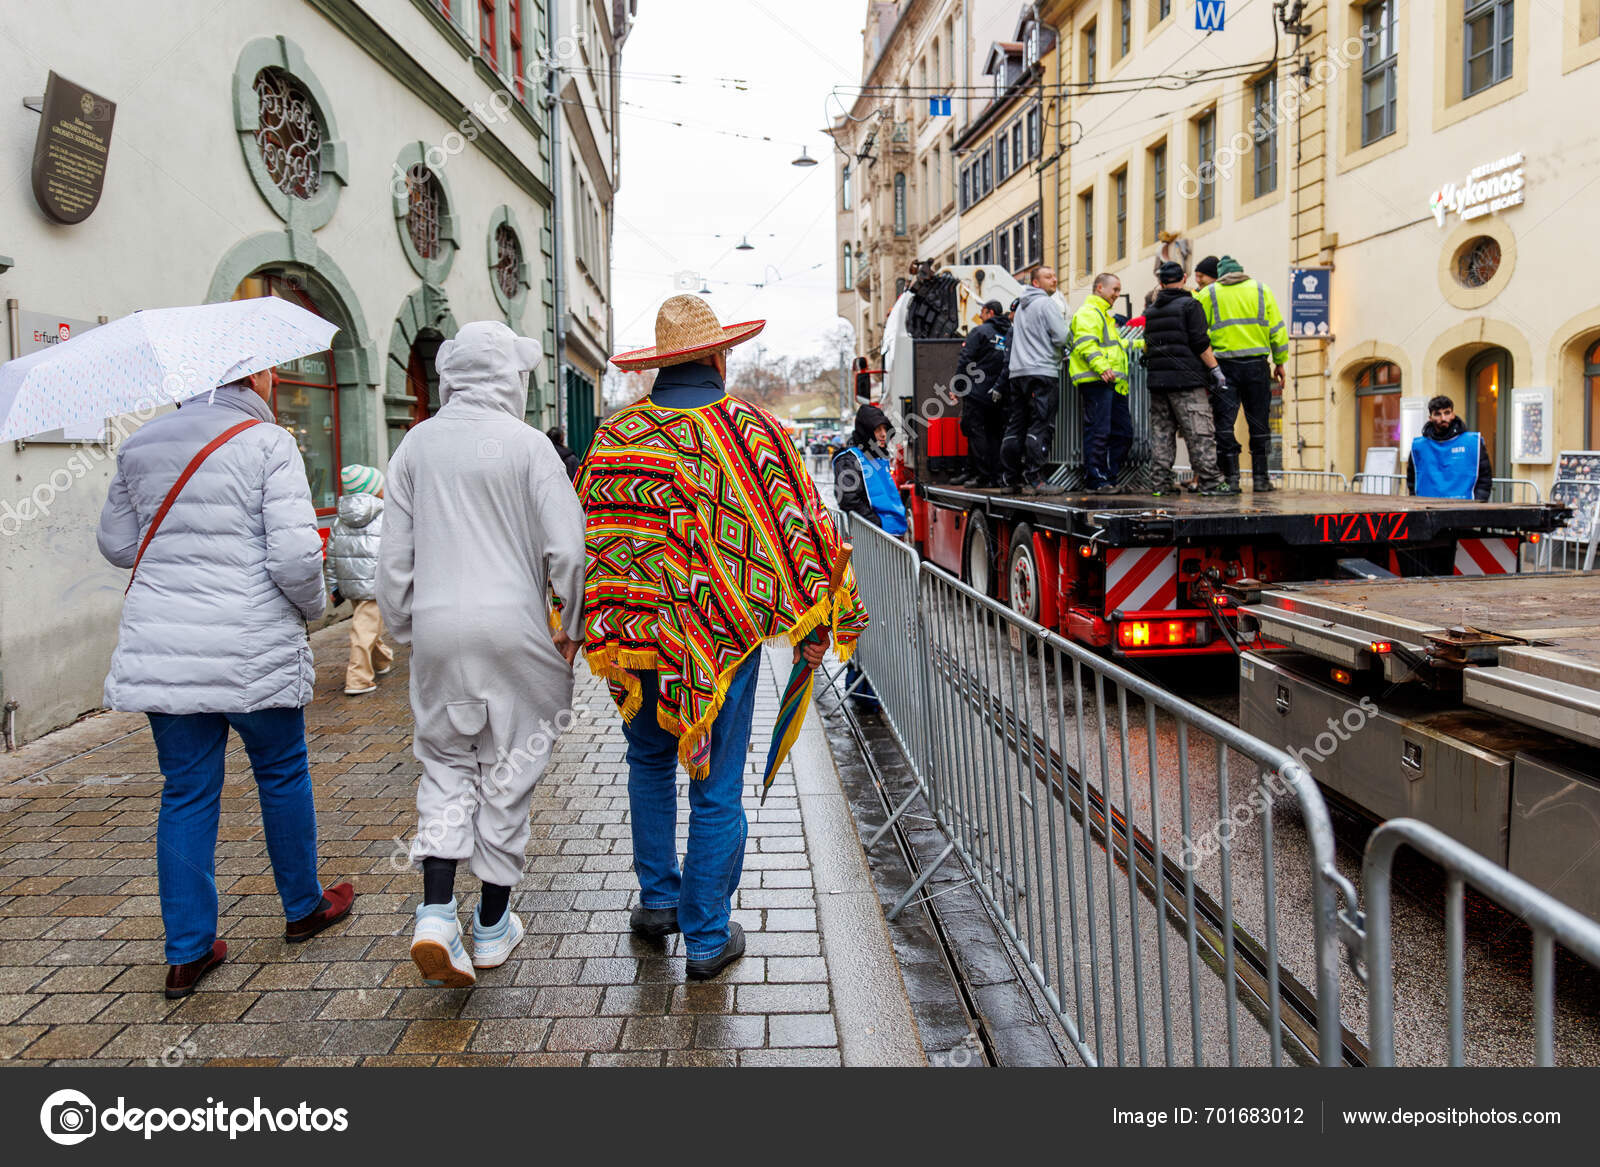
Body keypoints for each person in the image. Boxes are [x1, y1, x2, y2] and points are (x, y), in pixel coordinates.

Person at [580, 295, 868, 981]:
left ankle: (658, 902)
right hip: (715, 643)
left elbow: (588, 531)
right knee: (713, 783)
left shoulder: (616, 435)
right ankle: (706, 935)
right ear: (717, 355)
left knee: (648, 761)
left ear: (661, 362)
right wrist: (822, 615)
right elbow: (804, 528)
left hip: (632, 634)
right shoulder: (751, 430)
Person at [97, 368, 355, 998]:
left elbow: (116, 545)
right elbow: (295, 558)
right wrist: (315, 608)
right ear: (257, 375)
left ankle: (187, 951)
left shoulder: (141, 442)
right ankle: (302, 907)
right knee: (282, 771)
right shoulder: (268, 443)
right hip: (250, 643)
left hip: (168, 645)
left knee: (185, 791)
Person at [377, 321, 587, 989]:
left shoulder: (415, 446)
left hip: (439, 626)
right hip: (516, 626)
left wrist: (405, 626)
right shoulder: (530, 448)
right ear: (509, 379)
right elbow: (570, 552)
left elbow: (393, 560)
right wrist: (571, 624)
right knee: (509, 767)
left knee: (444, 763)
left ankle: (437, 913)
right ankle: (493, 925)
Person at [1197, 255, 1289, 492]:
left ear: (1221, 274)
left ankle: (1232, 479)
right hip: (1257, 366)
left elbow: (1199, 332)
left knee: (1224, 423)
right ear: (1241, 271)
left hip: (1223, 368)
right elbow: (1277, 329)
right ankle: (1261, 479)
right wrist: (1279, 362)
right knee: (1259, 422)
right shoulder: (1261, 290)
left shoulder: (1209, 293)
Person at [1141, 262, 1230, 497]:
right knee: (1199, 430)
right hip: (1187, 381)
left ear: (1161, 283)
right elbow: (1200, 342)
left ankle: (1159, 484)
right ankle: (1211, 482)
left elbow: (1147, 346)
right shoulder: (1191, 305)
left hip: (1158, 382)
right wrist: (1215, 369)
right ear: (1184, 278)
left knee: (1162, 432)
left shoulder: (1150, 311)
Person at [323, 464, 395, 696]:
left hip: (350, 585)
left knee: (367, 625)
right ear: (373, 490)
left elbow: (332, 554)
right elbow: (396, 549)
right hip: (375, 584)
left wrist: (334, 586)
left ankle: (382, 661)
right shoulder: (386, 515)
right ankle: (358, 679)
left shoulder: (339, 520)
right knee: (364, 630)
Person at [1003, 266, 1071, 495]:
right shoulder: (1046, 304)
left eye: (1054, 275)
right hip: (1042, 370)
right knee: (1041, 423)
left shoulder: (1021, 307)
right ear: (1036, 283)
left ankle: (1011, 479)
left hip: (1018, 373)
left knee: (1016, 424)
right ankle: (1036, 478)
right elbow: (1062, 336)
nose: (1054, 279)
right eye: (1048, 277)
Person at [1068, 272, 1137, 494]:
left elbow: (1115, 346)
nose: (1117, 294)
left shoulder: (1104, 314)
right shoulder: (1089, 312)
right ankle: (1096, 480)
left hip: (1111, 382)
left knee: (1122, 432)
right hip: (1098, 380)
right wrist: (1102, 367)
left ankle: (1108, 477)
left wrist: (1141, 345)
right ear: (1099, 288)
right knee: (1099, 431)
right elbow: (1086, 343)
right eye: (1114, 289)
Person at [951, 299, 1009, 487]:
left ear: (989, 312)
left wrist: (957, 387)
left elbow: (965, 359)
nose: (981, 316)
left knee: (975, 432)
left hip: (977, 392)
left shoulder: (980, 332)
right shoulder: (1010, 333)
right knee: (995, 434)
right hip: (1001, 393)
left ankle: (981, 476)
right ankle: (991, 475)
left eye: (982, 312)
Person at [835, 402, 908, 535]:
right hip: (871, 536)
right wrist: (876, 524)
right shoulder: (848, 459)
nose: (883, 434)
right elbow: (848, 500)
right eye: (877, 429)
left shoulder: (878, 455)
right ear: (866, 431)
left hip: (889, 532)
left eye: (885, 429)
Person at [1406, 395, 1493, 501]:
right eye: (1437, 414)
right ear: (1430, 417)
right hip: (1426, 509)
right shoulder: (1419, 446)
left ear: (1453, 414)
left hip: (1465, 509)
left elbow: (1485, 479)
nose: (1443, 418)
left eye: (1447, 413)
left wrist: (1478, 503)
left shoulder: (1472, 442)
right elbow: (1412, 479)